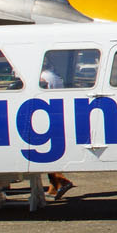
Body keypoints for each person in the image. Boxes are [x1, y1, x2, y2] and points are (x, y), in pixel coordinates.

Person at [38, 63, 76, 200]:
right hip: (58, 110)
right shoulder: (56, 76)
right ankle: (54, 187)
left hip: (47, 113)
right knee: (49, 154)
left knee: (45, 154)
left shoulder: (44, 76)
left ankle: (62, 181)